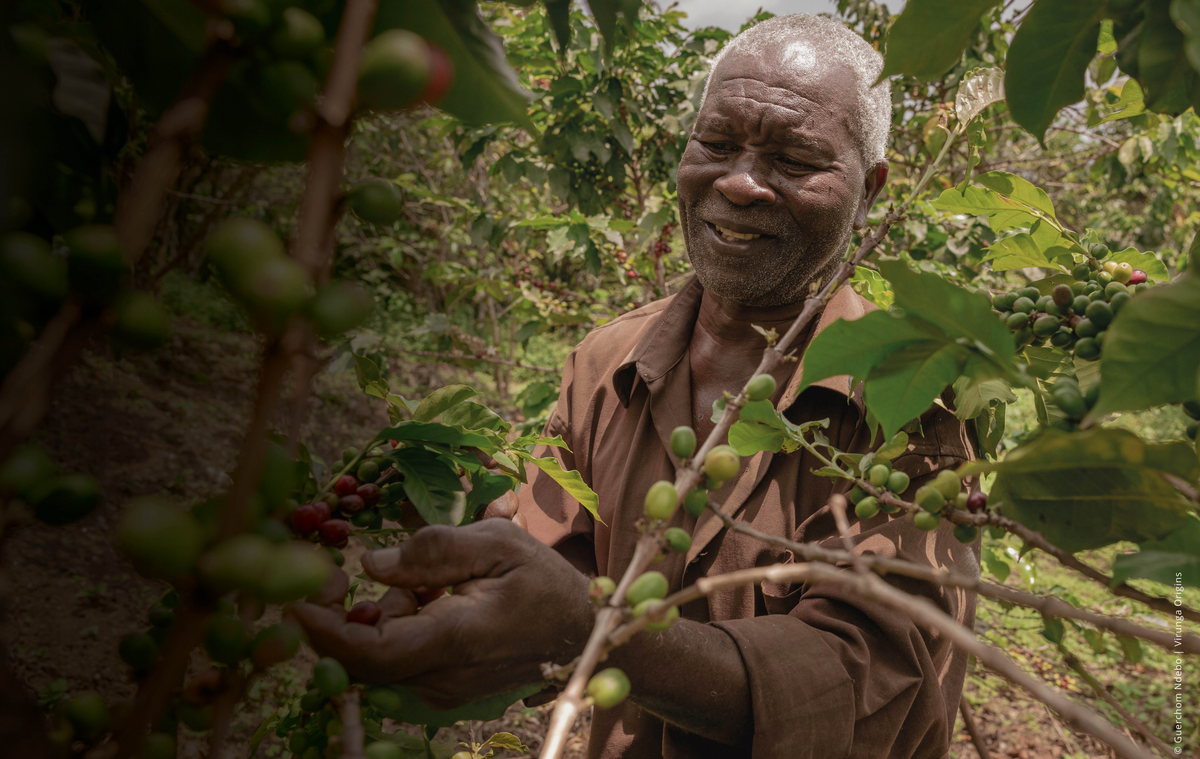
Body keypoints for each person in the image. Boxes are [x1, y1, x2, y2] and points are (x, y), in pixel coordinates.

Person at [291, 14, 979, 759]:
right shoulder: (605, 361)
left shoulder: (910, 405)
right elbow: (553, 573)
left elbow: (871, 685)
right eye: (715, 144)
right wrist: (459, 612)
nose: (741, 183)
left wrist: (593, 632)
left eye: (796, 159)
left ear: (870, 190)